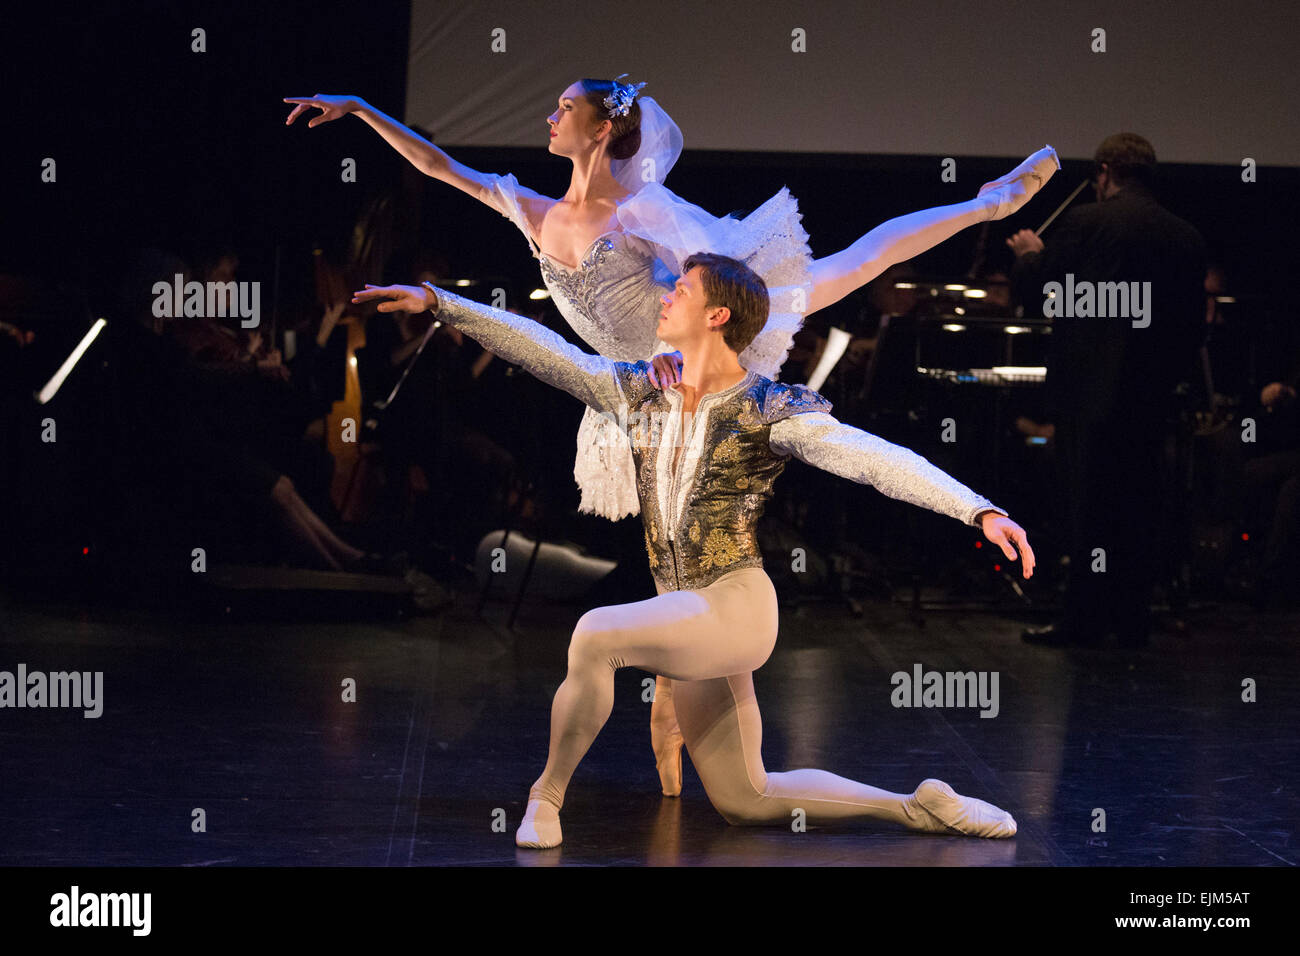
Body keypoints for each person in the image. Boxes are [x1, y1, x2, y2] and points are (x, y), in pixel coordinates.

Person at [290, 77, 1059, 791]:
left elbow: (702, 284)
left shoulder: (638, 216)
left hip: (680, 364)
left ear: (601, 129)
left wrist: (672, 354)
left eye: (564, 109)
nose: (550, 118)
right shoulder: (527, 205)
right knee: (673, 527)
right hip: (628, 387)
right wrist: (361, 109)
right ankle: (680, 691)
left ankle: (986, 204)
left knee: (849, 266)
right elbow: (437, 165)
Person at [353, 250, 1036, 848]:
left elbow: (872, 459)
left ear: (717, 316)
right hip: (687, 616)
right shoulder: (640, 392)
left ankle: (546, 796)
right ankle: (918, 809)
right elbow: (545, 352)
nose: (667, 295)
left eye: (682, 288)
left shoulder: (769, 408)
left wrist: (976, 508)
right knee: (747, 799)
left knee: (594, 634)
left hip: (736, 607)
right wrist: (441, 303)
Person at [1007, 133, 1207, 647]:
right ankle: (1130, 617)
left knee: (1088, 509)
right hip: (1151, 396)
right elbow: (1191, 327)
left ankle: (1083, 620)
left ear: (1104, 172)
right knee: (1139, 506)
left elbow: (1043, 292)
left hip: (1089, 394)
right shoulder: (1185, 236)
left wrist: (1031, 254)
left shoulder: (1086, 223)